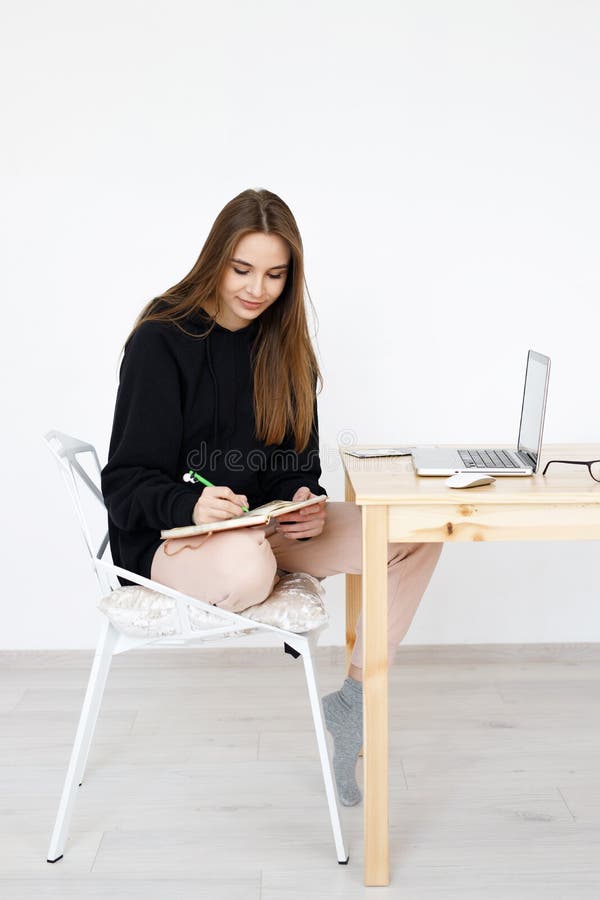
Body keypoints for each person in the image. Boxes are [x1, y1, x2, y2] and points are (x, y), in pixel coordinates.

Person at [101, 188, 442, 807]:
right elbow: (124, 484)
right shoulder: (161, 340)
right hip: (172, 542)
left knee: (413, 533)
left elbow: (297, 464)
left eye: (275, 274)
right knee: (248, 561)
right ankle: (248, 551)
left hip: (264, 530)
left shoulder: (286, 348)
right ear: (215, 260)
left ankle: (352, 702)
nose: (257, 289)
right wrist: (190, 508)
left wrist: (303, 498)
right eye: (242, 270)